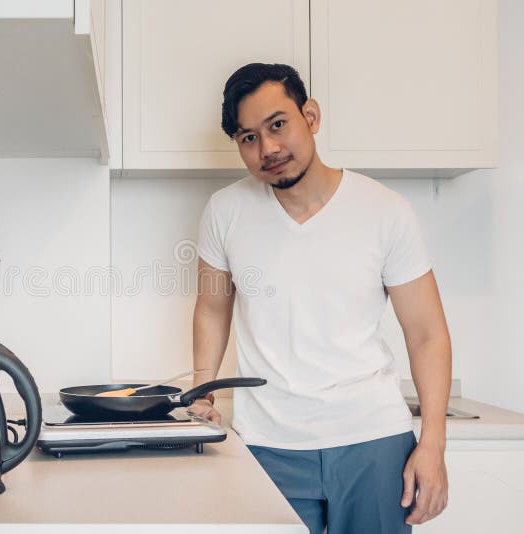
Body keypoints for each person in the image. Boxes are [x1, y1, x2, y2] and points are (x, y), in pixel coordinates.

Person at [188, 63, 451, 534]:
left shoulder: (386, 211)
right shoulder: (224, 211)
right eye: (248, 137)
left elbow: (427, 334)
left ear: (310, 115)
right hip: (266, 444)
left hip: (373, 439)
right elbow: (211, 308)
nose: (267, 148)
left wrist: (433, 444)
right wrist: (201, 391)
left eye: (277, 124)